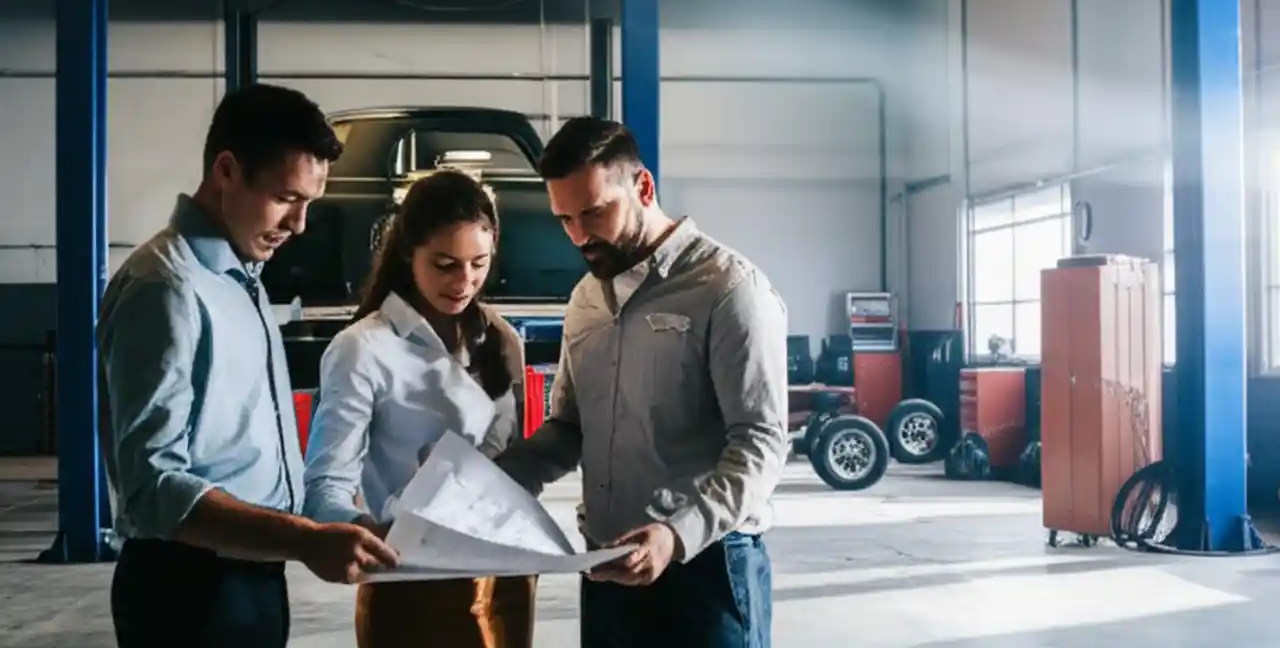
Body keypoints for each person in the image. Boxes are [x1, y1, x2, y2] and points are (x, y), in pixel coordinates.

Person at [98, 83, 399, 648]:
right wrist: (305, 540)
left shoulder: (243, 280)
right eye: (287, 198)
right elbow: (154, 486)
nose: (300, 223)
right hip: (185, 593)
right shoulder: (165, 288)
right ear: (227, 170)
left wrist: (333, 527)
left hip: (253, 577)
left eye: (310, 202)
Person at [495, 117, 790, 647]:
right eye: (564, 219)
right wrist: (494, 478)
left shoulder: (727, 289)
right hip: (609, 572)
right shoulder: (585, 299)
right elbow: (569, 427)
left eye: (594, 212)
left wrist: (676, 537)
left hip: (707, 569)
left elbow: (761, 441)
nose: (580, 236)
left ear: (644, 187)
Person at [302, 169, 537, 648]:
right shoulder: (363, 348)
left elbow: (513, 464)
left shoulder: (500, 339)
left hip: (502, 574)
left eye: (479, 263)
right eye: (445, 264)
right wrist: (376, 531)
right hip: (407, 576)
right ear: (408, 252)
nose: (464, 281)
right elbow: (326, 486)